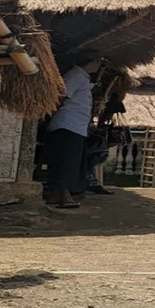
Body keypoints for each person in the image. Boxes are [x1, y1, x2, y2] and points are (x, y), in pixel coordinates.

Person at [44, 57, 100, 208]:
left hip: (76, 125)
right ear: (92, 61)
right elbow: (62, 95)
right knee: (66, 161)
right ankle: (63, 195)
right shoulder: (75, 76)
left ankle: (58, 195)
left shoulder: (83, 77)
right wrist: (51, 113)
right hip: (68, 124)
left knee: (71, 161)